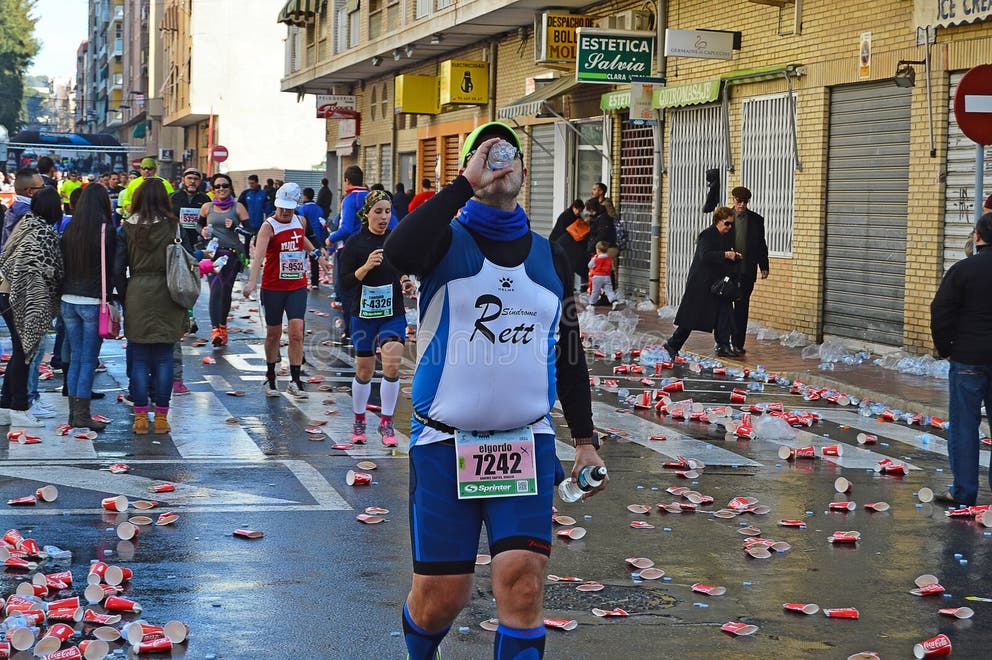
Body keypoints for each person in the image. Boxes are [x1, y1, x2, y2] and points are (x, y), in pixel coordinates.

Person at [383, 122, 605, 660]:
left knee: (523, 584)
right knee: (441, 598)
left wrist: (585, 440)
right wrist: (465, 185)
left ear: (525, 172)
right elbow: (398, 250)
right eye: (486, 155)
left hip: (524, 443)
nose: (500, 165)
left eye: (509, 155)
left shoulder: (552, 256)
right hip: (444, 444)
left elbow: (569, 352)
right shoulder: (443, 242)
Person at [338, 190, 411, 447]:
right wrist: (366, 266)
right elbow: (345, 283)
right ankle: (359, 419)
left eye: (387, 212)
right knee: (364, 370)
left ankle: (386, 421)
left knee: (392, 363)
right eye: (378, 211)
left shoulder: (396, 240)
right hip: (364, 314)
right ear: (366, 214)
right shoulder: (354, 244)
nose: (383, 217)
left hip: (392, 313)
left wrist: (406, 281)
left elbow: (402, 269)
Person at [114, 179, 187, 435]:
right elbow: (186, 259)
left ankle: (141, 418)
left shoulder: (126, 228)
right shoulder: (174, 226)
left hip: (137, 292)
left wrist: (126, 295)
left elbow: (117, 269)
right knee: (165, 358)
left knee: (139, 359)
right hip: (168, 292)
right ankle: (162, 418)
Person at [930, 212, 992, 507]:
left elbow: (941, 310)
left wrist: (946, 348)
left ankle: (964, 491)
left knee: (965, 426)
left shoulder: (963, 270)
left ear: (978, 238)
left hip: (968, 359)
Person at [242, 183, 320, 399]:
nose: (285, 211)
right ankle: (270, 376)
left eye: (289, 208)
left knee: (296, 332)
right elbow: (258, 257)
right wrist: (252, 282)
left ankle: (295, 381)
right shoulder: (268, 226)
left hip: (296, 286)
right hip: (273, 287)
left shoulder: (300, 220)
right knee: (273, 334)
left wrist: (315, 253)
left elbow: (300, 238)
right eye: (281, 207)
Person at [0, 187, 65, 428]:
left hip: (8, 293)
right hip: (23, 298)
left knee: (20, 351)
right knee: (24, 352)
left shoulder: (26, 223)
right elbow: (41, 272)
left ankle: (6, 404)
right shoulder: (42, 232)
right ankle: (19, 407)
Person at [60, 184, 116, 431]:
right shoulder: (106, 230)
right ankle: (82, 415)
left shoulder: (70, 227)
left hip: (68, 300)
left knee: (75, 358)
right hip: (93, 301)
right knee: (88, 360)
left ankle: (74, 414)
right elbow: (113, 267)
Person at [663, 206, 742, 359]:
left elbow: (725, 256)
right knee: (692, 317)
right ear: (718, 221)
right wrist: (725, 255)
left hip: (719, 283)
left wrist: (734, 257)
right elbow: (705, 255)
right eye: (727, 223)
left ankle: (724, 345)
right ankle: (673, 343)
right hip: (702, 283)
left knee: (724, 312)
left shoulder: (727, 236)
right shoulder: (707, 235)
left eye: (731, 224)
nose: (729, 227)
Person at [199, 173, 249, 347]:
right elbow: (198, 225)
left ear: (230, 187)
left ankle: (222, 327)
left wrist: (235, 227)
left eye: (225, 185)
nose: (221, 189)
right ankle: (215, 331)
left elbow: (251, 231)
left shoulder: (238, 207)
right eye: (218, 186)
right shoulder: (207, 207)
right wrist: (202, 231)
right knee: (216, 289)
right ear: (213, 189)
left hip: (231, 255)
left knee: (226, 292)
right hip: (212, 255)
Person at [727, 186, 769, 355]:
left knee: (742, 308)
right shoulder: (725, 217)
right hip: (727, 271)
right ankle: (722, 342)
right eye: (739, 201)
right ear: (733, 200)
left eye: (745, 202)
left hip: (746, 271)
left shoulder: (756, 220)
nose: (742, 205)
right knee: (724, 307)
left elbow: (761, 245)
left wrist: (764, 266)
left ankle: (738, 343)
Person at [548, 198, 588, 291]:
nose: (579, 212)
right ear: (574, 207)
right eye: (578, 210)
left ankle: (568, 285)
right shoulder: (566, 216)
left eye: (581, 211)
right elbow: (565, 231)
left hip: (563, 244)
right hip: (558, 242)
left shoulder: (575, 216)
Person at [2, 168, 45, 250]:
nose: (45, 190)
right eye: (42, 187)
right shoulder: (28, 214)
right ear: (30, 191)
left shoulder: (14, 208)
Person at [170, 168, 211, 254]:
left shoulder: (205, 199)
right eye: (189, 178)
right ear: (183, 180)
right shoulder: (173, 197)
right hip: (177, 240)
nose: (192, 181)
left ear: (200, 182)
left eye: (196, 179)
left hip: (198, 241)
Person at [298, 187, 328, 289]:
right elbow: (323, 225)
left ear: (304, 196)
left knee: (302, 260)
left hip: (304, 237)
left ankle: (303, 281)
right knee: (315, 260)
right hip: (317, 237)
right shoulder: (319, 209)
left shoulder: (302, 209)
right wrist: (323, 240)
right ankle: (315, 283)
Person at [237, 174, 273, 252]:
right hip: (248, 222)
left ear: (257, 182)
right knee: (247, 242)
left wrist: (268, 220)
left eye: (252, 183)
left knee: (258, 243)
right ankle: (246, 258)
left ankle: (258, 257)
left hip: (259, 223)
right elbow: (239, 206)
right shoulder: (246, 194)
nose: (251, 185)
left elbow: (268, 209)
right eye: (249, 183)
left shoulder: (263, 194)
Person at [588, 240, 621, 310]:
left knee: (595, 291)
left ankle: (592, 304)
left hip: (597, 277)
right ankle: (614, 301)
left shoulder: (596, 258)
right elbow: (611, 268)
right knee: (609, 291)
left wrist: (594, 259)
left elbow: (590, 265)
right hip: (607, 277)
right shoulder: (609, 259)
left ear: (598, 250)